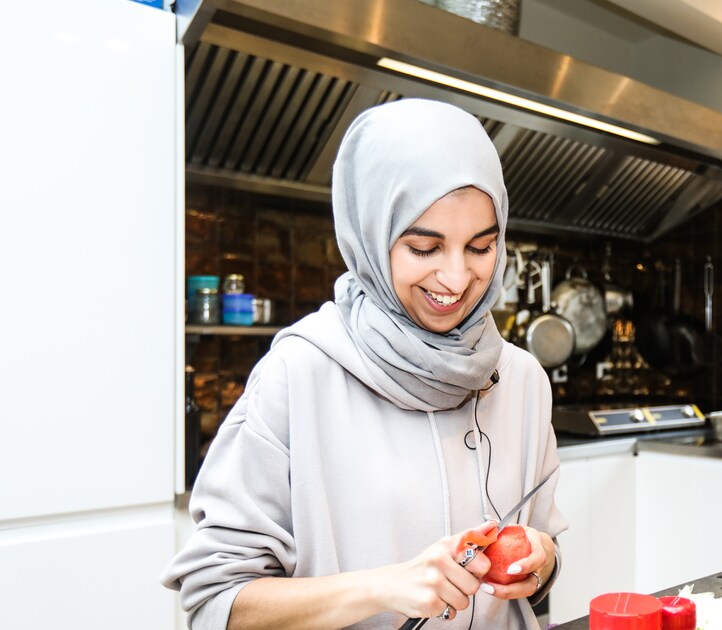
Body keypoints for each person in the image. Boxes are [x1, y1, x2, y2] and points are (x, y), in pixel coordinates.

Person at [161, 99, 566, 629]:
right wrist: (381, 588)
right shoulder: (299, 372)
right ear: (371, 236)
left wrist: (542, 561)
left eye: (481, 246)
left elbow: (545, 556)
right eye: (424, 247)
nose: (457, 277)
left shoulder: (522, 381)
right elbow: (217, 605)